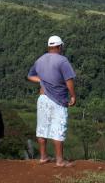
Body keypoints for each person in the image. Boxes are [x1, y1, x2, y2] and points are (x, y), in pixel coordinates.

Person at [27, 35, 76, 167]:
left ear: (49, 46)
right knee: (58, 128)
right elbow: (69, 80)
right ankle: (59, 160)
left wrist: (42, 81)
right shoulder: (63, 61)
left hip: (43, 98)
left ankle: (43, 157)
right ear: (60, 46)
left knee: (42, 128)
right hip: (58, 99)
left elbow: (30, 76)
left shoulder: (40, 59)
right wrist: (73, 96)